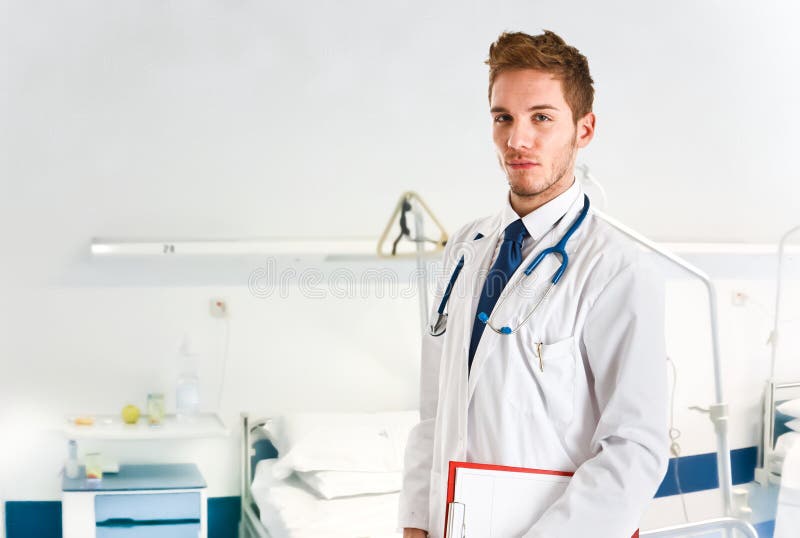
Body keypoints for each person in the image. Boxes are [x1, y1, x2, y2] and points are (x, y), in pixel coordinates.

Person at [399, 30, 668, 538]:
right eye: (503, 118)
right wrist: (416, 523)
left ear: (584, 130)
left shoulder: (617, 269)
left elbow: (635, 447)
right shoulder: (465, 247)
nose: (516, 140)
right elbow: (436, 409)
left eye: (541, 118)